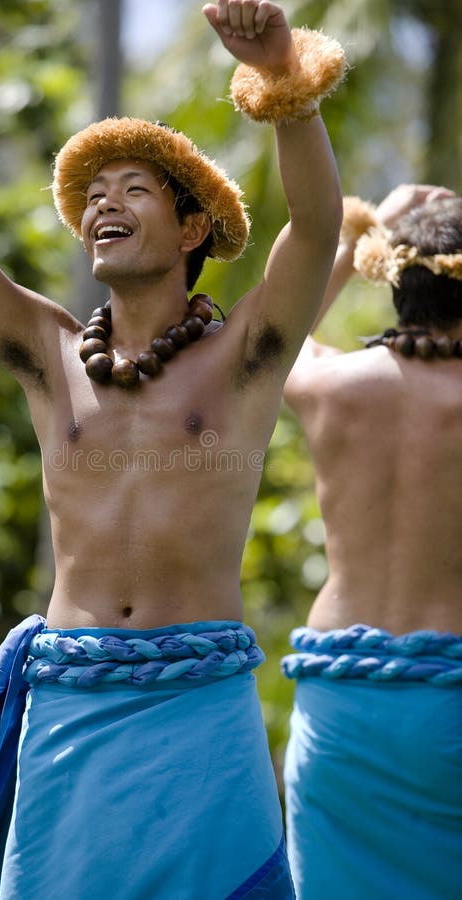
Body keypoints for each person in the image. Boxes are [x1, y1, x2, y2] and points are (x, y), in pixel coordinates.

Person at [0, 1, 346, 897]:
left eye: (132, 188)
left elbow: (314, 230)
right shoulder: (51, 357)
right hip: (70, 709)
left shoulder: (242, 360)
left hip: (199, 710)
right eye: (93, 194)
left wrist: (286, 80)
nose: (102, 204)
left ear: (193, 229)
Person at [281, 184, 462, 900]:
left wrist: (367, 226)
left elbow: (274, 336)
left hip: (341, 714)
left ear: (389, 273)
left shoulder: (330, 385)